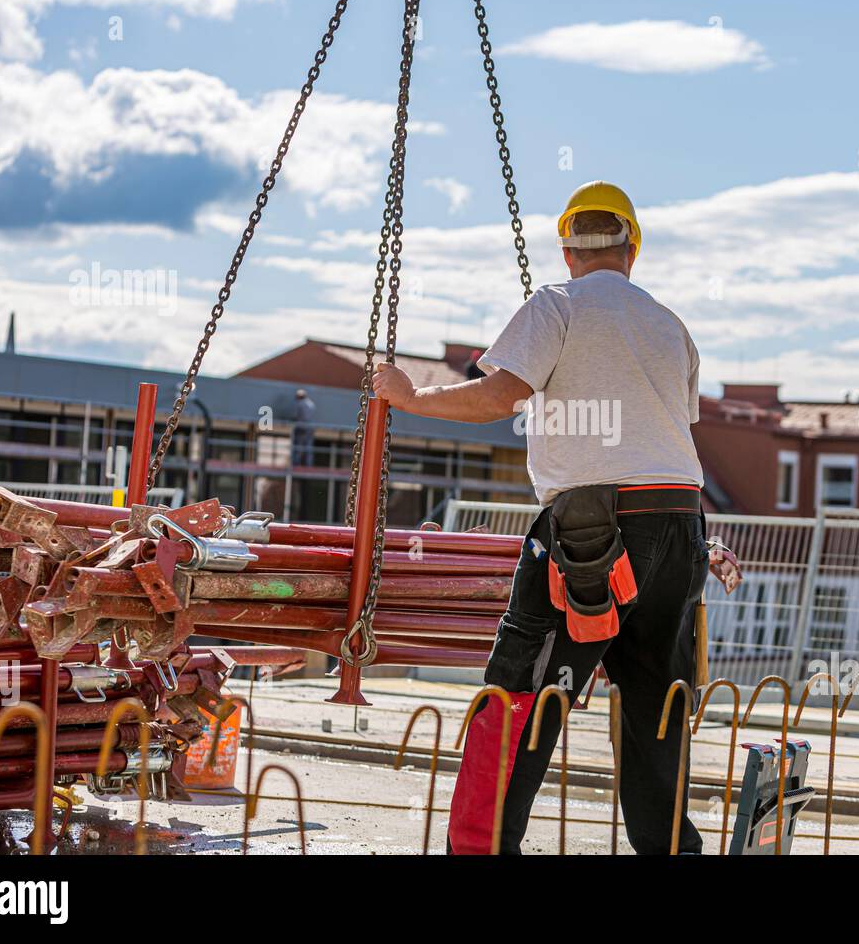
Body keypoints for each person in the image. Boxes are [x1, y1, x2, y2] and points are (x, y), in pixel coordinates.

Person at [373, 181, 708, 855]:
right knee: (656, 707)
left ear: (566, 249)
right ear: (632, 249)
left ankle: (483, 847)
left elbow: (500, 396)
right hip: (680, 525)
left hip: (593, 530)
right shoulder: (670, 325)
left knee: (522, 691)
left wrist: (412, 397)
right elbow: (662, 437)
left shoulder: (556, 304)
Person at [291, 388, 316, 467]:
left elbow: (294, 416)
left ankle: (296, 464)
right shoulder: (311, 404)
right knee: (308, 447)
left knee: (297, 446)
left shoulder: (299, 403)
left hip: (301, 427)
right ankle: (309, 465)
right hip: (310, 428)